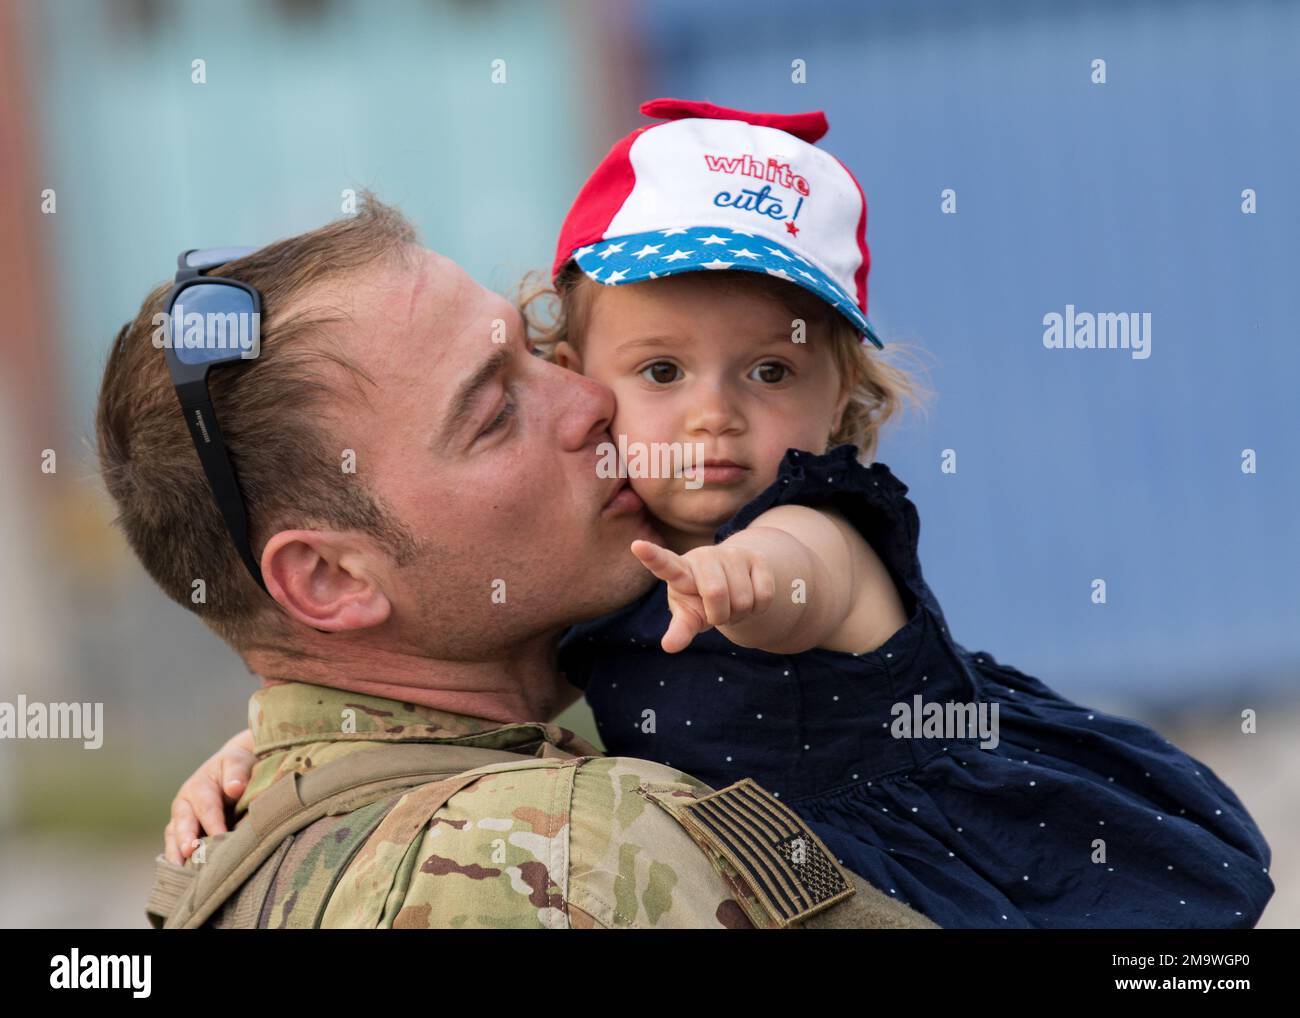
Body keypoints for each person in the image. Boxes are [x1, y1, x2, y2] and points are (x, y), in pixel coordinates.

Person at [169, 98, 1274, 928]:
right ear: (584, 353)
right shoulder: (577, 598)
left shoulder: (808, 521)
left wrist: (745, 585)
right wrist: (254, 751)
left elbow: (807, 576)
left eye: (769, 375)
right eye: (657, 371)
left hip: (935, 857)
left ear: (845, 393)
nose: (712, 418)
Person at [98, 195, 936, 928]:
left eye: (538, 351)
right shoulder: (559, 862)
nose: (595, 401)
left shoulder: (246, 839)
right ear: (333, 579)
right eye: (497, 411)